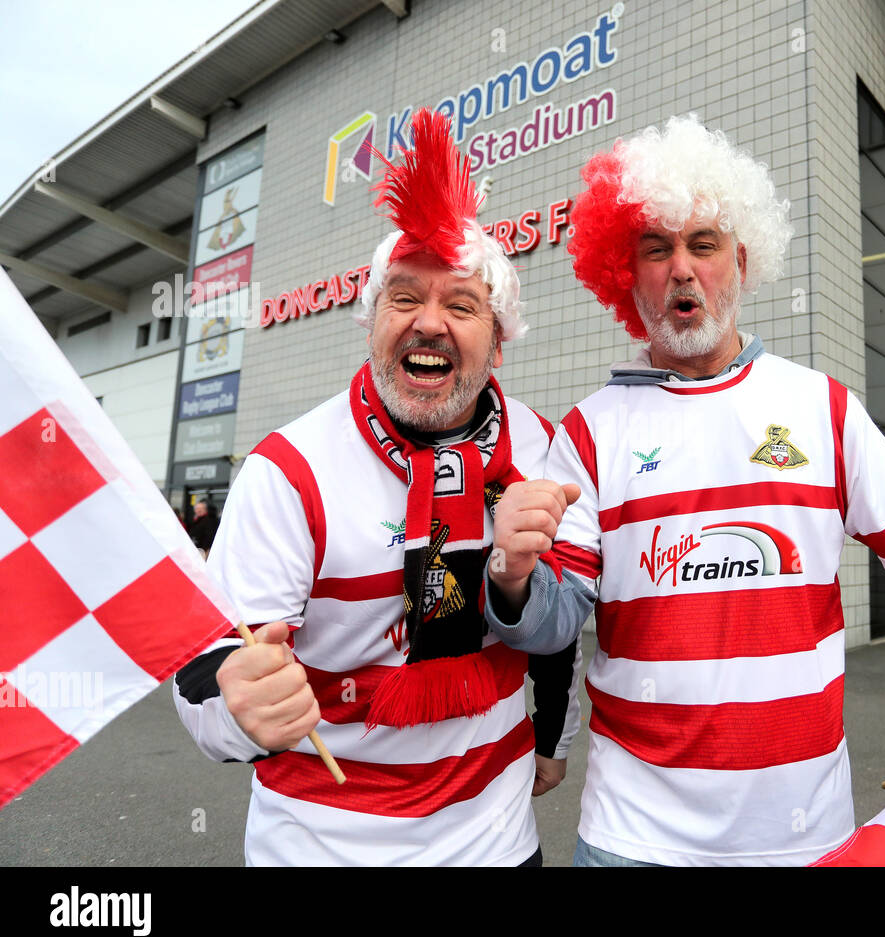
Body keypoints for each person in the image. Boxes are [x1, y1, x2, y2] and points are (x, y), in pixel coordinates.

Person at [485, 115, 885, 866]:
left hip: (805, 840)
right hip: (633, 840)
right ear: (624, 276)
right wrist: (511, 576)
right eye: (656, 249)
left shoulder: (821, 410)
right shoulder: (590, 432)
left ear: (743, 259)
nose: (683, 269)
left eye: (705, 244)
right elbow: (550, 624)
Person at [173, 108, 581, 866]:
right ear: (370, 321)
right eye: (404, 298)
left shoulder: (538, 442)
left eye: (461, 304)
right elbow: (205, 677)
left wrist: (551, 733)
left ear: (499, 338)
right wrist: (238, 710)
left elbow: (557, 622)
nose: (430, 323)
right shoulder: (287, 470)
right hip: (326, 849)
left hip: (499, 843)